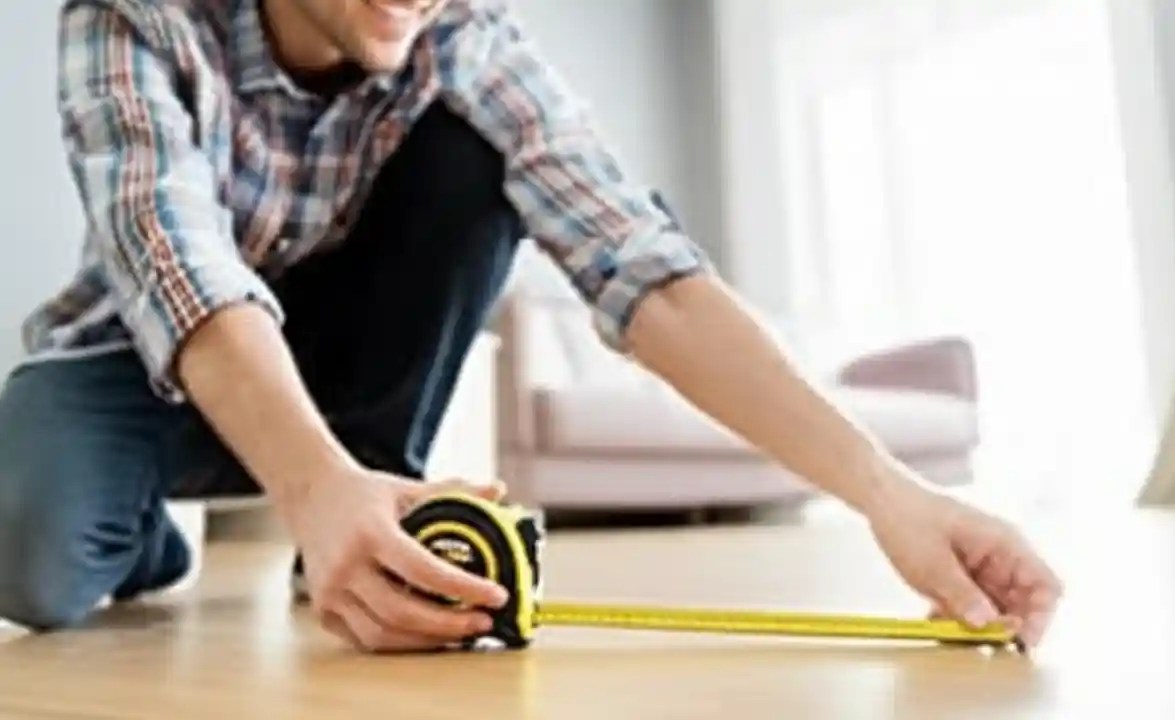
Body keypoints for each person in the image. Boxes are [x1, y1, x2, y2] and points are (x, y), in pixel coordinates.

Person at [0, 0, 1062, 653]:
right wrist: (305, 484)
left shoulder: (466, 36)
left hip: (339, 365)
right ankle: (155, 535)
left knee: (473, 161)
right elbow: (180, 262)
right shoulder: (133, 11)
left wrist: (890, 493)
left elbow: (644, 269)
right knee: (32, 563)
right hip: (142, 355)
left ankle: (370, 504)